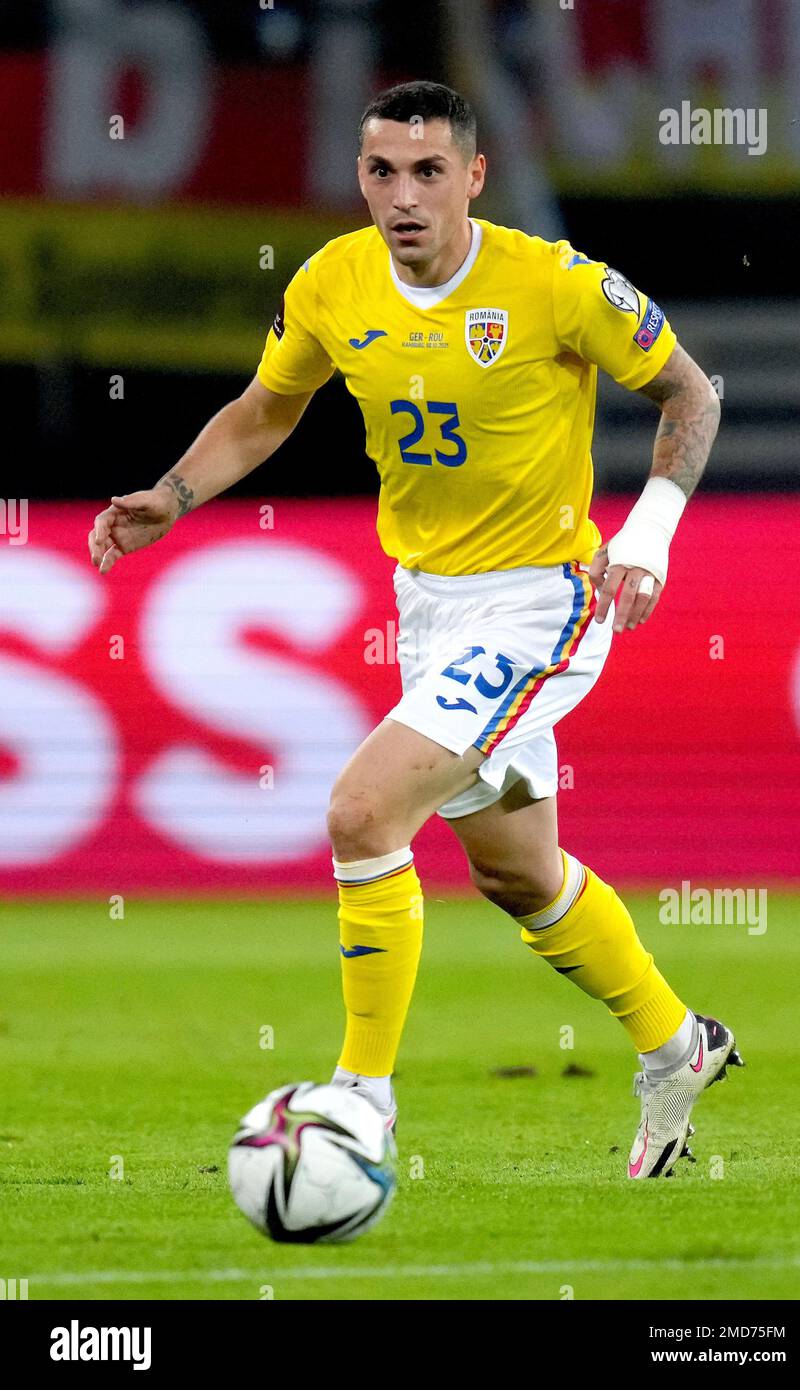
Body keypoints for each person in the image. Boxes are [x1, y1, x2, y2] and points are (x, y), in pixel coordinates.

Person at [88, 80, 742, 1180]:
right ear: (359, 177)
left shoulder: (553, 283)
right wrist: (172, 493)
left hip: (543, 599)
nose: (402, 195)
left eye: (427, 171)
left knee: (360, 809)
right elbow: (265, 409)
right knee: (520, 876)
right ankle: (679, 1045)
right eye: (381, 171)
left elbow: (690, 394)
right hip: (427, 606)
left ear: (472, 177)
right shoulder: (332, 281)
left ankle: (360, 1103)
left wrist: (651, 533)